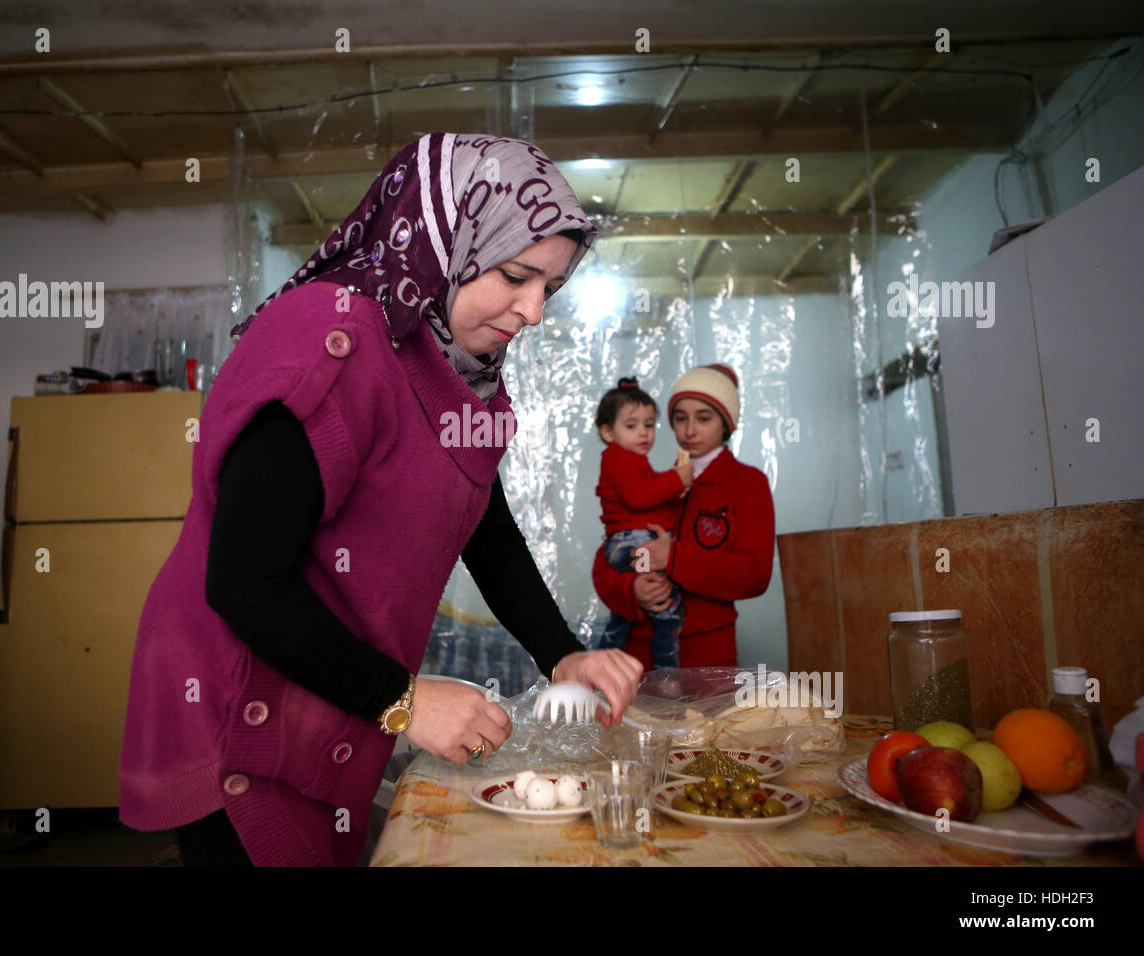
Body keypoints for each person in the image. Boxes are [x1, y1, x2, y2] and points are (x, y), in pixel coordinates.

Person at [119, 133, 644, 867]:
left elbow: (481, 521)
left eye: (548, 289)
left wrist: (560, 654)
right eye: (516, 276)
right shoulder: (329, 342)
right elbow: (245, 583)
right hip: (237, 702)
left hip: (326, 682)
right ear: (445, 245)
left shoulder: (457, 368)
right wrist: (405, 700)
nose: (531, 312)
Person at [592, 364, 775, 669]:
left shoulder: (747, 482)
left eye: (704, 418)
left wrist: (673, 558)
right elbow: (611, 552)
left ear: (726, 424)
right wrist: (632, 591)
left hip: (706, 656)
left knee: (710, 719)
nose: (689, 430)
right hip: (636, 656)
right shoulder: (658, 482)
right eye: (680, 418)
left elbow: (754, 575)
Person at [593, 377, 692, 668]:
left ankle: (606, 664)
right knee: (666, 604)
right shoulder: (619, 458)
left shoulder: (633, 460)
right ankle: (666, 671)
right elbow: (637, 498)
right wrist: (676, 480)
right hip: (631, 543)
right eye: (632, 425)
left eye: (649, 425)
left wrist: (676, 486)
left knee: (632, 610)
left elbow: (654, 509)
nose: (644, 433)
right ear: (608, 432)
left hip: (632, 541)